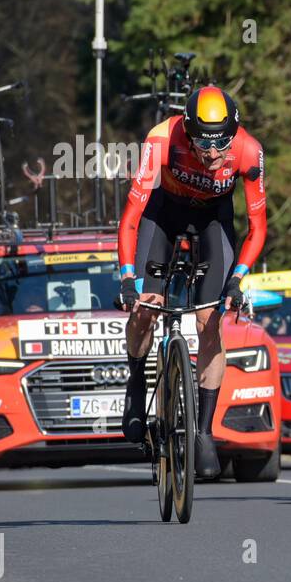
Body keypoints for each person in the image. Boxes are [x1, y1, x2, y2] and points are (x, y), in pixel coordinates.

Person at [118, 85, 267, 478]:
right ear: (187, 130)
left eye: (221, 144)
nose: (213, 154)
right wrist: (127, 278)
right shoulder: (162, 138)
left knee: (210, 322)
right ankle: (135, 386)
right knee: (146, 307)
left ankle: (203, 432)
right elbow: (131, 216)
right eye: (202, 143)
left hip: (214, 220)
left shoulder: (249, 151)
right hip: (163, 215)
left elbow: (257, 228)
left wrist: (237, 279)